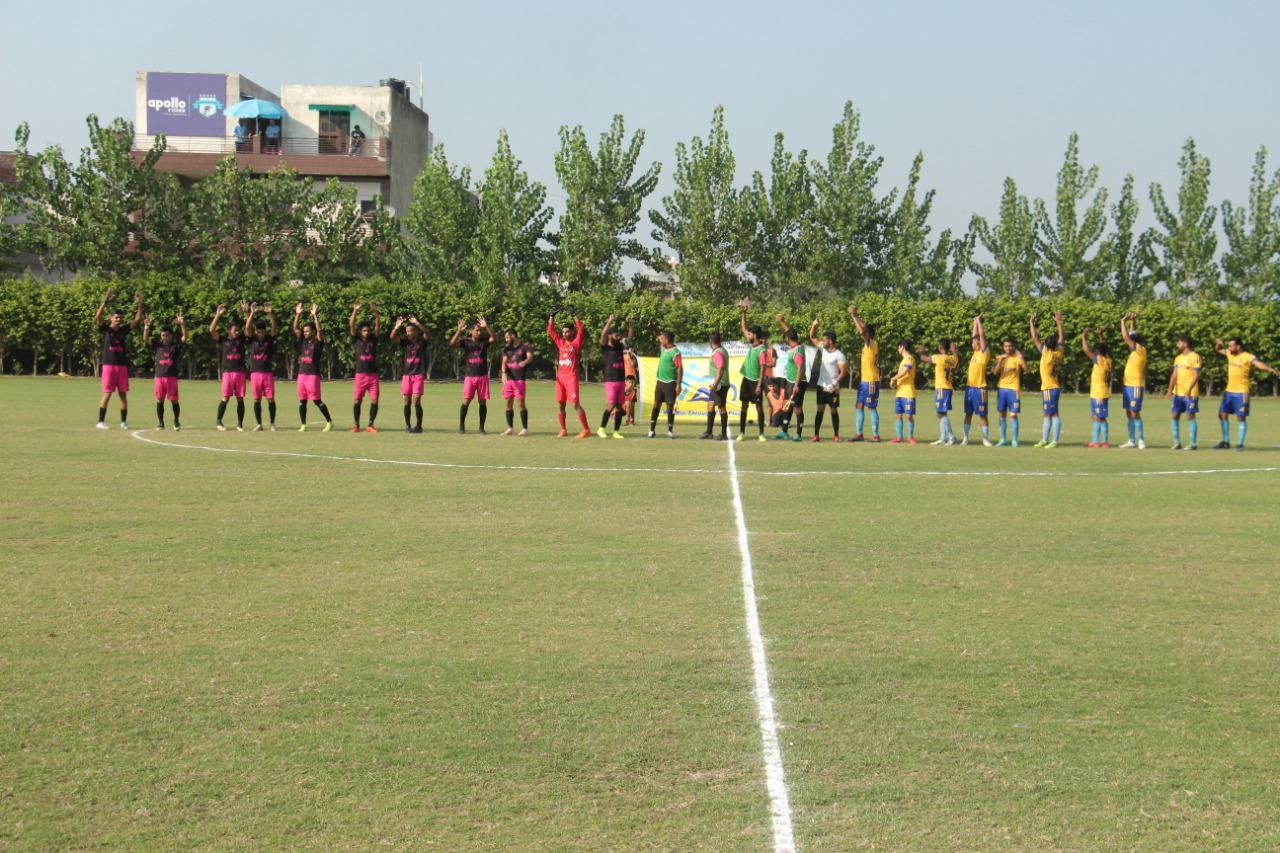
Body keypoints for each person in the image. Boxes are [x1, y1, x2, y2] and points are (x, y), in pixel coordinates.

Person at [1213, 337, 1279, 451]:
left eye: (1231, 346)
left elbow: (1258, 363)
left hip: (1241, 392)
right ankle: (1225, 441)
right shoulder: (1230, 353)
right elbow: (1219, 350)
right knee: (1222, 414)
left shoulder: (1248, 356)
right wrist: (1219, 344)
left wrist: (1268, 368)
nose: (1229, 348)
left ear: (1238, 346)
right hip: (1229, 391)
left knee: (1241, 417)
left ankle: (1240, 444)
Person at [94, 289, 143, 430]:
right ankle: (100, 421)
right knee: (107, 393)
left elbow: (137, 320)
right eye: (116, 317)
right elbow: (98, 315)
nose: (118, 320)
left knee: (123, 394)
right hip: (109, 365)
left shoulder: (123, 330)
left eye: (120, 318)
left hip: (122, 366)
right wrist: (106, 300)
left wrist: (140, 304)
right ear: (111, 318)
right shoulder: (105, 329)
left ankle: (123, 422)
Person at [550, 308, 593, 438]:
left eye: (567, 332)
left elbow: (581, 328)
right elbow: (551, 330)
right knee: (560, 404)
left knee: (574, 404)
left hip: (571, 378)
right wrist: (552, 316)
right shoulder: (560, 343)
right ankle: (563, 429)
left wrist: (574, 314)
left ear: (572, 332)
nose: (565, 334)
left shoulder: (576, 343)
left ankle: (586, 429)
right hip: (560, 378)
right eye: (563, 332)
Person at [142, 312, 186, 431]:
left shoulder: (175, 346)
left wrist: (182, 324)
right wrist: (146, 327)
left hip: (171, 377)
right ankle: (161, 423)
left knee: (174, 400)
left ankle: (176, 421)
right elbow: (145, 339)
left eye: (166, 335)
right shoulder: (158, 346)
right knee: (159, 400)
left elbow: (184, 338)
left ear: (171, 336)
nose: (164, 337)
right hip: (159, 377)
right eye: (162, 335)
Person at [451, 317, 495, 434]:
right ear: (471, 331)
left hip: (482, 376)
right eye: (477, 330)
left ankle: (481, 428)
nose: (479, 332)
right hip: (470, 376)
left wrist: (486, 327)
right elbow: (452, 343)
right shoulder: (466, 342)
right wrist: (459, 331)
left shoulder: (484, 341)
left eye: (480, 330)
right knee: (466, 401)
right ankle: (461, 426)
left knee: (482, 402)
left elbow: (495, 338)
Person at [293, 303, 334, 431]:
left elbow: (320, 331)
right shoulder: (303, 341)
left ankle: (329, 421)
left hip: (313, 375)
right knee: (302, 401)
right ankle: (303, 424)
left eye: (307, 331)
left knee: (316, 400)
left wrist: (315, 315)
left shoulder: (318, 342)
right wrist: (298, 314)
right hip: (301, 375)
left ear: (313, 331)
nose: (305, 333)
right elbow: (295, 328)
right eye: (304, 331)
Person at [209, 302, 248, 431]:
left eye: (238, 330)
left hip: (240, 372)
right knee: (225, 398)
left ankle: (240, 423)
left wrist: (246, 312)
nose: (237, 332)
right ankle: (219, 421)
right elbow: (212, 330)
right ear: (228, 331)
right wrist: (217, 315)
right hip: (227, 373)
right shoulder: (223, 341)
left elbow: (248, 329)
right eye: (234, 330)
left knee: (240, 399)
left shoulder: (241, 340)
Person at [1029, 310, 1065, 448]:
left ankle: (1054, 440)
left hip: (1049, 387)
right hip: (1053, 386)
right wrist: (1059, 322)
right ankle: (1045, 439)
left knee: (1054, 413)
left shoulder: (1047, 353)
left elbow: (1034, 337)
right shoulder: (1058, 352)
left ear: (1047, 345)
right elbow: (1062, 339)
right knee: (1047, 413)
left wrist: (1031, 322)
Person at [737, 300, 771, 441]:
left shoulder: (762, 350)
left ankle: (761, 433)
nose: (748, 335)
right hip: (746, 379)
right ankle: (742, 433)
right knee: (744, 406)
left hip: (756, 382)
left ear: (755, 335)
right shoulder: (752, 344)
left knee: (759, 407)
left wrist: (759, 384)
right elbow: (744, 328)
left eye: (751, 334)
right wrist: (744, 313)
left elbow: (763, 367)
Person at [809, 319, 848, 442]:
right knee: (820, 409)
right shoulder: (823, 349)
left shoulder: (839, 355)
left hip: (833, 387)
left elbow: (843, 372)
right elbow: (812, 336)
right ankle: (816, 435)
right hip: (821, 385)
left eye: (825, 340)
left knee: (833, 409)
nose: (822, 341)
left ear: (830, 341)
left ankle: (836, 435)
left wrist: (834, 384)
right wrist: (814, 325)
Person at [847, 304, 881, 442]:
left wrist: (854, 316)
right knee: (859, 405)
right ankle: (859, 433)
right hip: (864, 381)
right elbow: (864, 329)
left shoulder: (871, 343)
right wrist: (856, 315)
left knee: (871, 407)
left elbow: (862, 332)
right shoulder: (868, 344)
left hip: (871, 381)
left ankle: (876, 435)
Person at [390, 314, 429, 433]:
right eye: (406, 331)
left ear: (416, 331)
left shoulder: (422, 342)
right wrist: (397, 326)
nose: (407, 333)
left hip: (418, 374)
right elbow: (392, 337)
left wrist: (417, 323)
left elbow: (427, 333)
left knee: (416, 400)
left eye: (410, 331)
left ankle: (418, 426)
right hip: (407, 375)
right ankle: (408, 425)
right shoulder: (406, 342)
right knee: (407, 401)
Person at [918, 338, 959, 445]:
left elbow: (924, 358)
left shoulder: (939, 358)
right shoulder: (952, 359)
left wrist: (921, 351)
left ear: (940, 348)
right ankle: (942, 438)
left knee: (940, 413)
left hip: (941, 388)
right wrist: (954, 350)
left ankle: (951, 436)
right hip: (948, 388)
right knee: (942, 413)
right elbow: (956, 357)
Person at [245, 302, 279, 431]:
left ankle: (272, 423)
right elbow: (247, 329)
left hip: (267, 373)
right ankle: (259, 424)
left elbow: (274, 327)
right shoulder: (252, 339)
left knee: (270, 399)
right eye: (258, 332)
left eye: (263, 332)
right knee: (257, 399)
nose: (261, 334)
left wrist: (270, 314)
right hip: (255, 373)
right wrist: (252, 313)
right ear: (256, 332)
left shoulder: (269, 340)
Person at [599, 315, 634, 439]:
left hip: (620, 381)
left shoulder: (620, 347)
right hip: (610, 381)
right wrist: (609, 321)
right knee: (611, 405)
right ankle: (601, 429)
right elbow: (603, 335)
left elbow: (629, 338)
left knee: (619, 407)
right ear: (610, 336)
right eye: (616, 336)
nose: (619, 338)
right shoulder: (606, 348)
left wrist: (630, 324)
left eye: (619, 336)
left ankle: (616, 432)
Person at [349, 300, 382, 432]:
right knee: (357, 401)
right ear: (360, 332)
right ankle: (356, 425)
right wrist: (355, 310)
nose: (366, 332)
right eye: (364, 330)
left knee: (374, 401)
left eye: (368, 330)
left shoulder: (373, 339)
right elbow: (351, 325)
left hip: (372, 376)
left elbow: (378, 326)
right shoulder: (356, 340)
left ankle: (370, 425)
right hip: (360, 375)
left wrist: (375, 312)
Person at [991, 336, 1030, 447]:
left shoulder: (1017, 358)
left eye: (1010, 346)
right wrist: (1001, 361)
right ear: (1003, 347)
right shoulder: (1000, 358)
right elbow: (995, 372)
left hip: (1013, 390)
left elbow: (1027, 370)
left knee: (1013, 415)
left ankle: (1014, 440)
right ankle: (1003, 439)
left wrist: (1022, 358)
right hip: (1002, 389)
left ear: (1014, 347)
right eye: (1006, 346)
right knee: (1002, 414)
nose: (1008, 348)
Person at [646, 322, 682, 439]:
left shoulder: (675, 352)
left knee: (669, 406)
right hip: (660, 382)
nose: (661, 340)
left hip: (670, 383)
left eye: (663, 339)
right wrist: (652, 325)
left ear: (667, 340)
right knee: (656, 404)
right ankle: (651, 430)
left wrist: (678, 384)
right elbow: (657, 334)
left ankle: (670, 431)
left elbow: (679, 368)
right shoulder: (663, 347)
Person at [1165, 334, 1202, 450]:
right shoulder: (1178, 358)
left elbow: (1196, 376)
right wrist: (1170, 390)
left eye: (1179, 342)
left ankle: (1193, 444)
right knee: (1175, 415)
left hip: (1190, 393)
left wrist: (1189, 389)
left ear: (1185, 343)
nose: (1177, 345)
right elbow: (1174, 375)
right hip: (1178, 392)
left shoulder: (1195, 357)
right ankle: (1177, 442)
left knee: (1190, 415)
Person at [961, 313, 993, 446]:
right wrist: (975, 321)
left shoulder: (984, 353)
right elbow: (975, 334)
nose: (971, 344)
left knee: (982, 414)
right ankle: (965, 438)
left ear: (978, 344)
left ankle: (985, 438)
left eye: (973, 342)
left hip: (980, 388)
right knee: (968, 414)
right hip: (970, 388)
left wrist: (979, 322)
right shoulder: (975, 353)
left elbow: (981, 335)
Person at [1118, 312, 1148, 449]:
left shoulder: (1140, 349)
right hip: (1127, 385)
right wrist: (1133, 320)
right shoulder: (1135, 351)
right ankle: (1131, 440)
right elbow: (1131, 333)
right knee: (1129, 412)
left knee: (1135, 412)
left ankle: (1141, 439)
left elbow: (1126, 336)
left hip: (1136, 385)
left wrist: (1123, 321)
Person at [774, 326, 808, 441]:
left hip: (797, 383)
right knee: (786, 406)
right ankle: (784, 431)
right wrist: (782, 323)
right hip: (790, 382)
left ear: (788, 339)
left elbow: (800, 368)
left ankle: (798, 434)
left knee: (797, 408)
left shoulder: (797, 352)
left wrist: (796, 385)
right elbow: (789, 331)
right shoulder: (797, 346)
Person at [1081, 326, 1113, 448]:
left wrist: (1084, 336)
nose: (1094, 352)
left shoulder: (1099, 360)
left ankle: (1104, 441)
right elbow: (1104, 347)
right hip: (1099, 393)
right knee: (1096, 416)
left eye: (1096, 351)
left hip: (1099, 393)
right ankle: (1095, 441)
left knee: (1100, 418)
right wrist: (1100, 335)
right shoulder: (1108, 360)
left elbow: (1086, 350)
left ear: (1098, 352)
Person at [501, 328, 535, 436]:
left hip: (519, 379)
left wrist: (525, 361)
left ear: (513, 336)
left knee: (520, 403)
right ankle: (510, 428)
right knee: (508, 403)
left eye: (507, 337)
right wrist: (503, 373)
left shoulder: (525, 346)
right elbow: (504, 362)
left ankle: (524, 429)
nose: (506, 340)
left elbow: (530, 357)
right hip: (509, 380)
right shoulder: (506, 349)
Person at [700, 331, 731, 440]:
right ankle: (709, 432)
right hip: (719, 384)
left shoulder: (718, 352)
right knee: (710, 405)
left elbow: (721, 369)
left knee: (721, 408)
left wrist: (715, 384)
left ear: (710, 341)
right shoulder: (721, 350)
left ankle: (723, 434)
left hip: (720, 384)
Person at [888, 340, 918, 444]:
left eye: (898, 347)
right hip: (900, 392)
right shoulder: (903, 360)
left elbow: (904, 372)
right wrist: (896, 384)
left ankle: (910, 436)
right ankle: (899, 437)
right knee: (898, 415)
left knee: (909, 415)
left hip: (908, 392)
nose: (898, 349)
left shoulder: (909, 358)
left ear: (902, 347)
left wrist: (893, 378)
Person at [622, 339, 640, 426]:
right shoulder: (624, 355)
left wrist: (630, 354)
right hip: (626, 381)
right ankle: (628, 420)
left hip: (633, 380)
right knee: (627, 402)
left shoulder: (633, 355)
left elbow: (633, 364)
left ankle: (632, 420)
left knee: (632, 403)